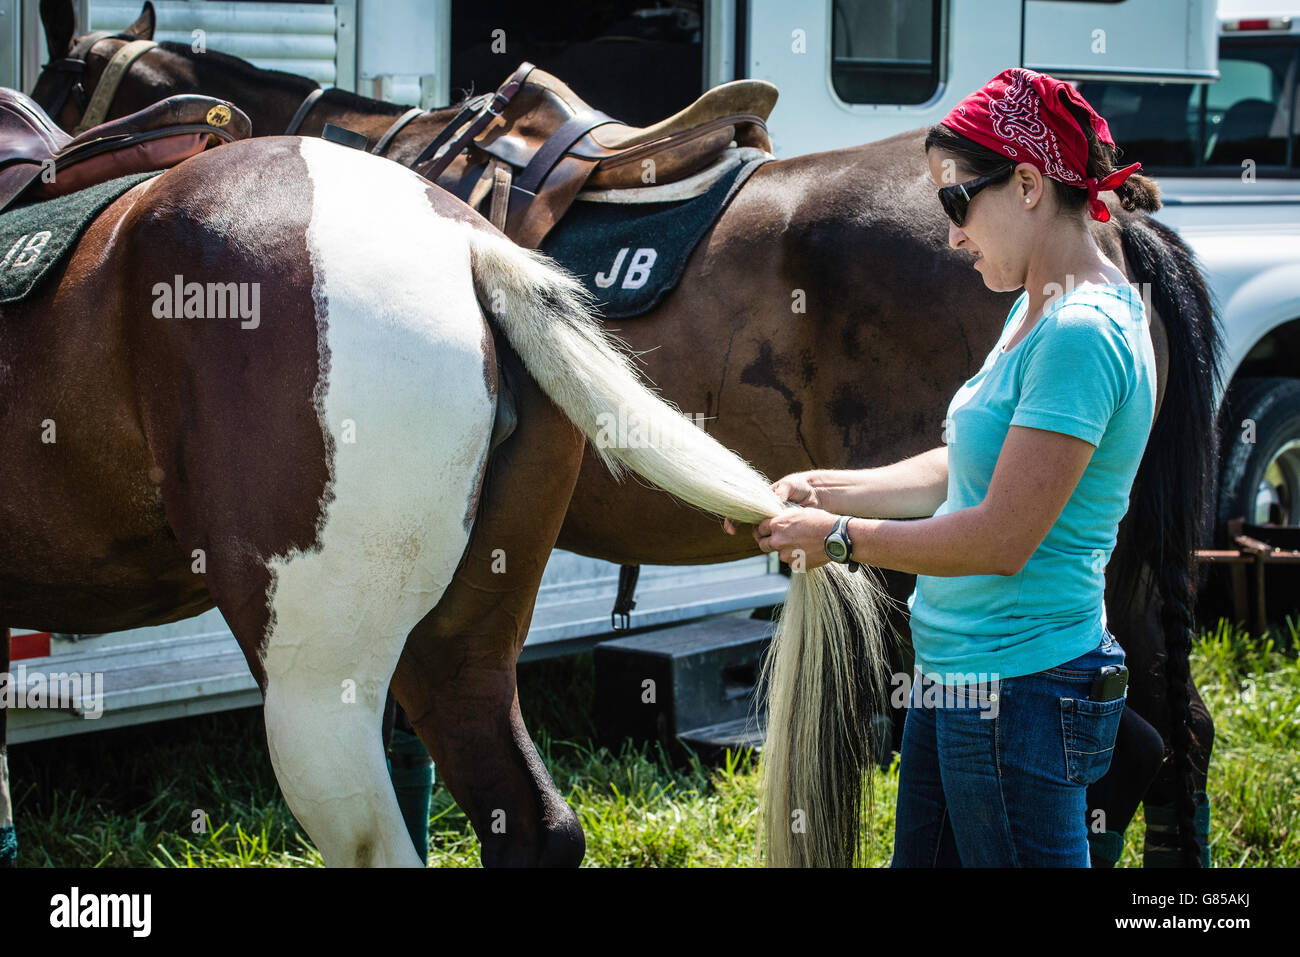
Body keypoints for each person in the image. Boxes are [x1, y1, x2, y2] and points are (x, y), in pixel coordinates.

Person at [724, 67, 1161, 866]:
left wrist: (841, 537)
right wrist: (828, 488)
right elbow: (960, 468)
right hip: (963, 680)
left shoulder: (1078, 333)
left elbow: (999, 538)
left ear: (1027, 184)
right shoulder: (1036, 308)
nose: (953, 234)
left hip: (1015, 691)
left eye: (957, 201)